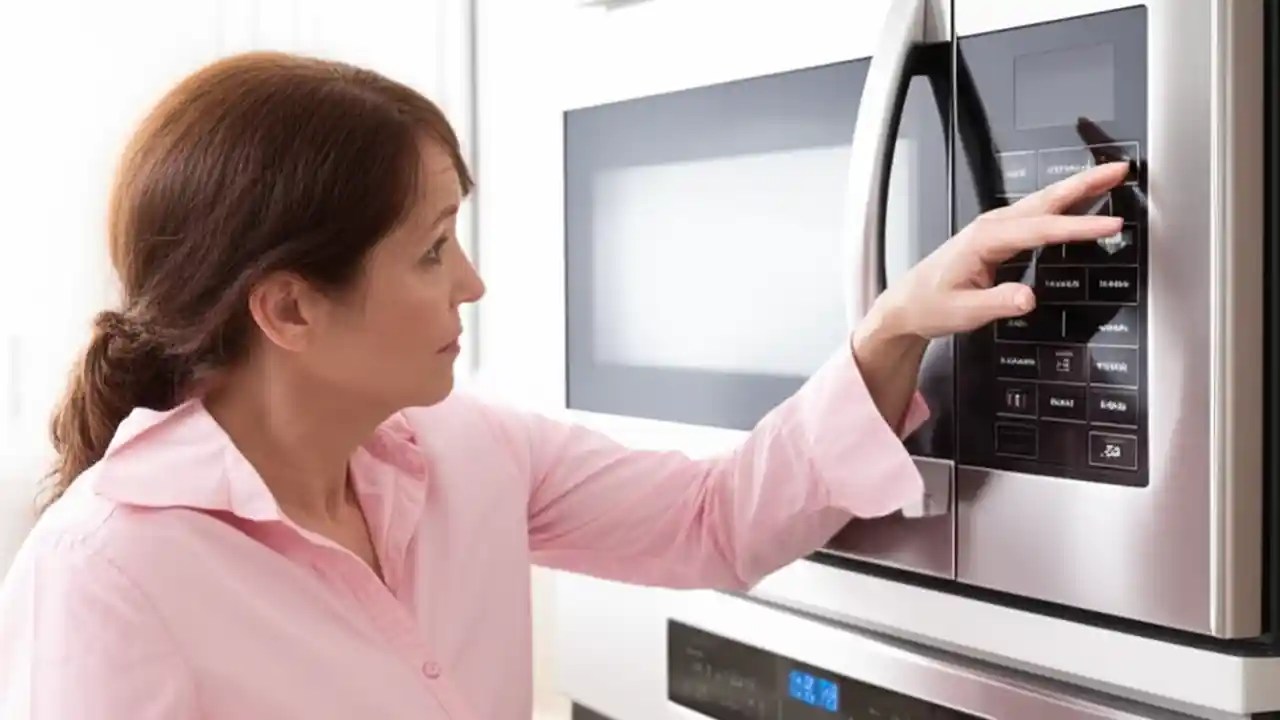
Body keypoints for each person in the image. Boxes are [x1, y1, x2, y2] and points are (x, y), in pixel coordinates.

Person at [0, 51, 1128, 719]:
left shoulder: (466, 454)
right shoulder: (111, 571)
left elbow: (713, 518)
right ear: (288, 307)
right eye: (434, 247)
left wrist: (891, 326)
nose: (475, 283)